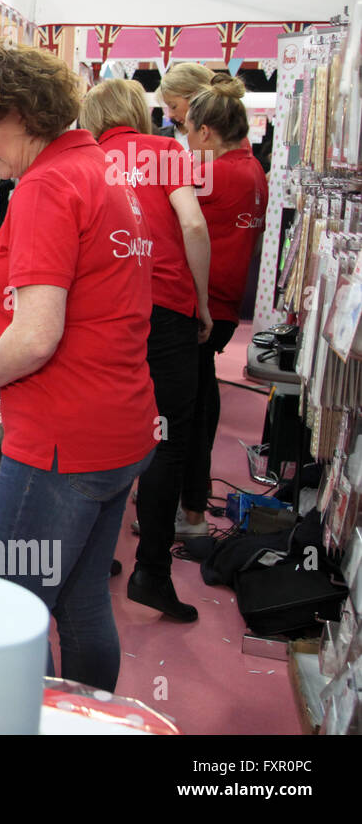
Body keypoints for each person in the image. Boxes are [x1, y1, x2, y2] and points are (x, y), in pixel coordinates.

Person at [0, 41, 157, 692]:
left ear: (23, 111)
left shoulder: (50, 184)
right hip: (117, 425)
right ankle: (88, 718)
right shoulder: (102, 170)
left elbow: (35, 337)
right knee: (81, 601)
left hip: (62, 438)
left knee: (9, 615)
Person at [82, 78, 214, 621]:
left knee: (103, 430)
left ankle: (91, 557)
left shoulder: (89, 160)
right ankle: (151, 572)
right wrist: (202, 302)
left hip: (107, 311)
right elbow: (193, 223)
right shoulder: (165, 151)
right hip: (165, 311)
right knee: (167, 439)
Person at [179, 74, 268, 535]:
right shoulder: (254, 172)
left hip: (203, 305)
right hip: (226, 303)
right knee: (200, 400)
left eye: (188, 132)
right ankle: (190, 505)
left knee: (190, 410)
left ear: (206, 133)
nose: (185, 142)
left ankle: (190, 509)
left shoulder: (212, 174)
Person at [157, 62, 214, 149]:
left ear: (196, 97)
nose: (170, 115)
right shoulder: (160, 136)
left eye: (173, 106)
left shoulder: (227, 136)